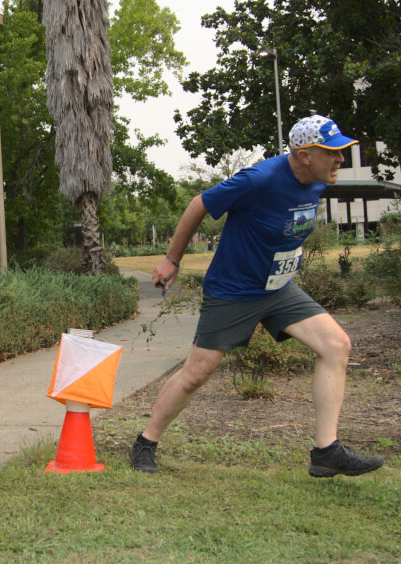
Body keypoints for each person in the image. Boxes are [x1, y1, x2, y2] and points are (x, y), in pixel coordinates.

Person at [130, 115, 384, 479]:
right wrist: (172, 259)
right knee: (197, 372)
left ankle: (326, 451)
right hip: (234, 290)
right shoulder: (261, 178)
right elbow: (199, 203)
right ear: (304, 154)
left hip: (278, 288)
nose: (340, 159)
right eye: (332, 152)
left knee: (336, 345)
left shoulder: (316, 181)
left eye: (341, 151)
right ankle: (145, 442)